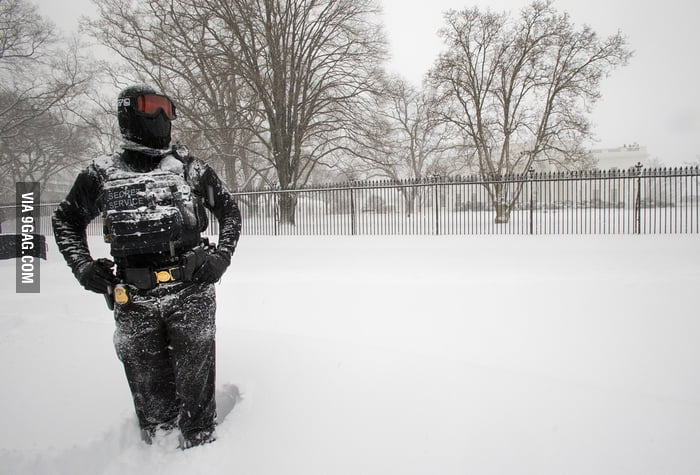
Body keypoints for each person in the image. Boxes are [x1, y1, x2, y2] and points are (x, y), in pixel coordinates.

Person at [52, 84, 242, 449]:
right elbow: (66, 220)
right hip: (133, 299)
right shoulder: (101, 174)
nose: (160, 118)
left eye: (166, 109)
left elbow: (230, 212)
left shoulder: (191, 169)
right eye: (151, 108)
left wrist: (221, 258)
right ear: (128, 113)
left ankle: (202, 450)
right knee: (150, 392)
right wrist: (83, 267)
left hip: (190, 292)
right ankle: (157, 453)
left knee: (196, 388)